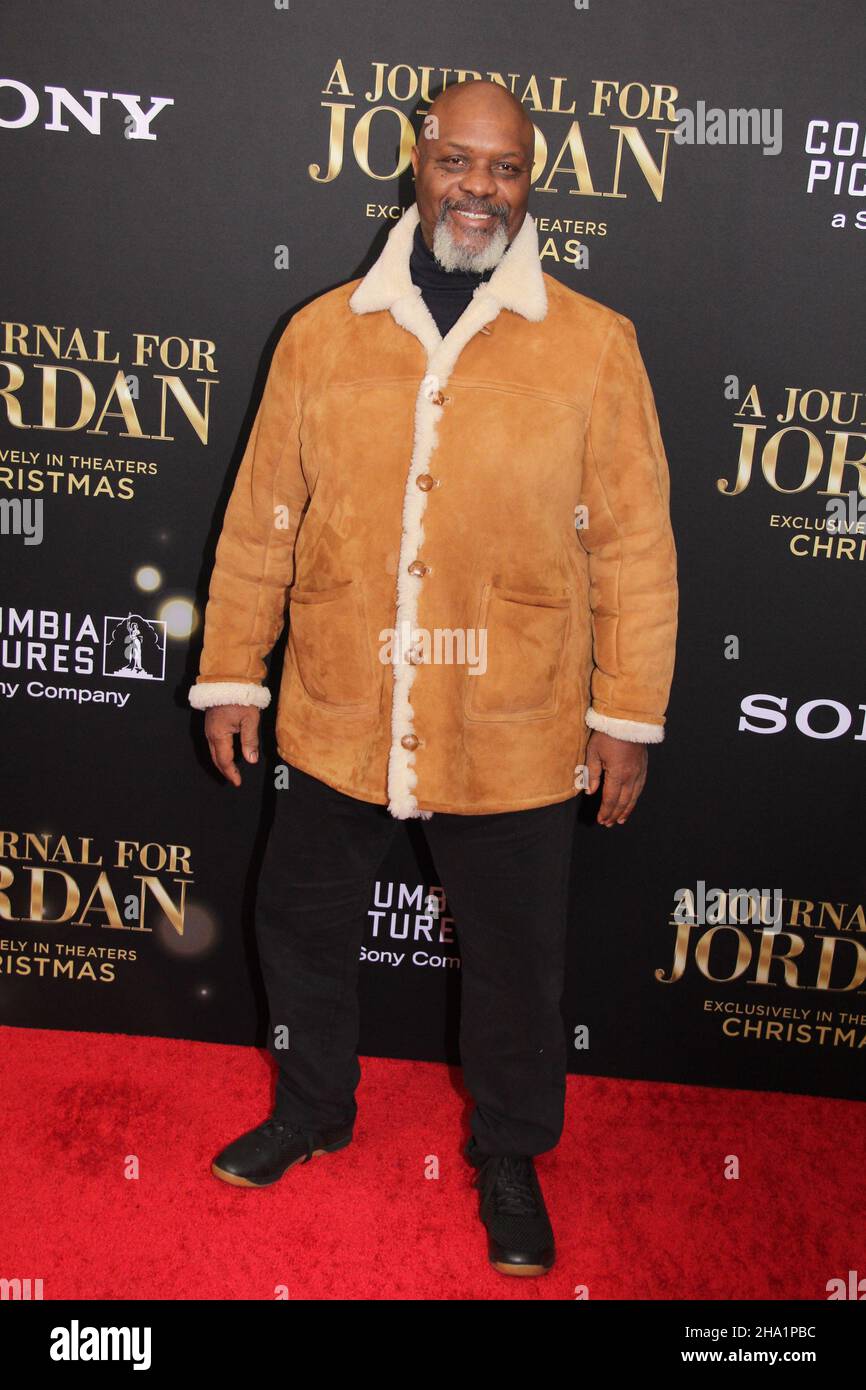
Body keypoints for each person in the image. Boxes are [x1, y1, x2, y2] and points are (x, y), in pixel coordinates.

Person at [188, 80, 678, 1278]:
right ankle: (311, 1108)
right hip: (338, 709)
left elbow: (632, 547)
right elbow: (263, 521)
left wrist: (626, 716)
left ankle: (508, 1150)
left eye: (504, 167)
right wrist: (230, 675)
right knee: (297, 927)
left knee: (516, 960)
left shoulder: (594, 344)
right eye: (457, 161)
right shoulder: (319, 332)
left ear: (530, 181)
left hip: (511, 720)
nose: (478, 187)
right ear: (416, 166)